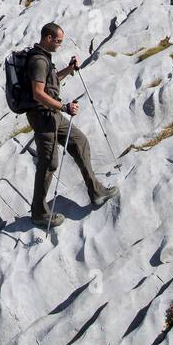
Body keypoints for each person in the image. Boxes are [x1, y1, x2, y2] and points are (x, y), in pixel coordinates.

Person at [27, 22, 118, 229]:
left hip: (53, 115)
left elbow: (51, 81)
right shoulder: (38, 61)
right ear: (48, 38)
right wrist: (64, 107)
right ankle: (39, 213)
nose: (60, 45)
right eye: (58, 41)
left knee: (79, 141)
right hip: (43, 118)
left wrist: (68, 69)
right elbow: (38, 93)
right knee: (48, 163)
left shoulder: (43, 58)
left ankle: (96, 191)